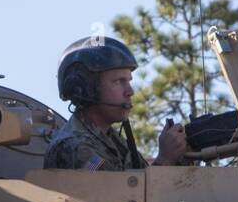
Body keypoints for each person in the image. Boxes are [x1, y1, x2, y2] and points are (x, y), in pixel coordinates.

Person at [44, 37, 187, 170]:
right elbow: (123, 194)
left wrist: (182, 153)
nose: (130, 92)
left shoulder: (112, 140)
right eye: (118, 82)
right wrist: (164, 160)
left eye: (129, 81)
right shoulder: (74, 146)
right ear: (86, 89)